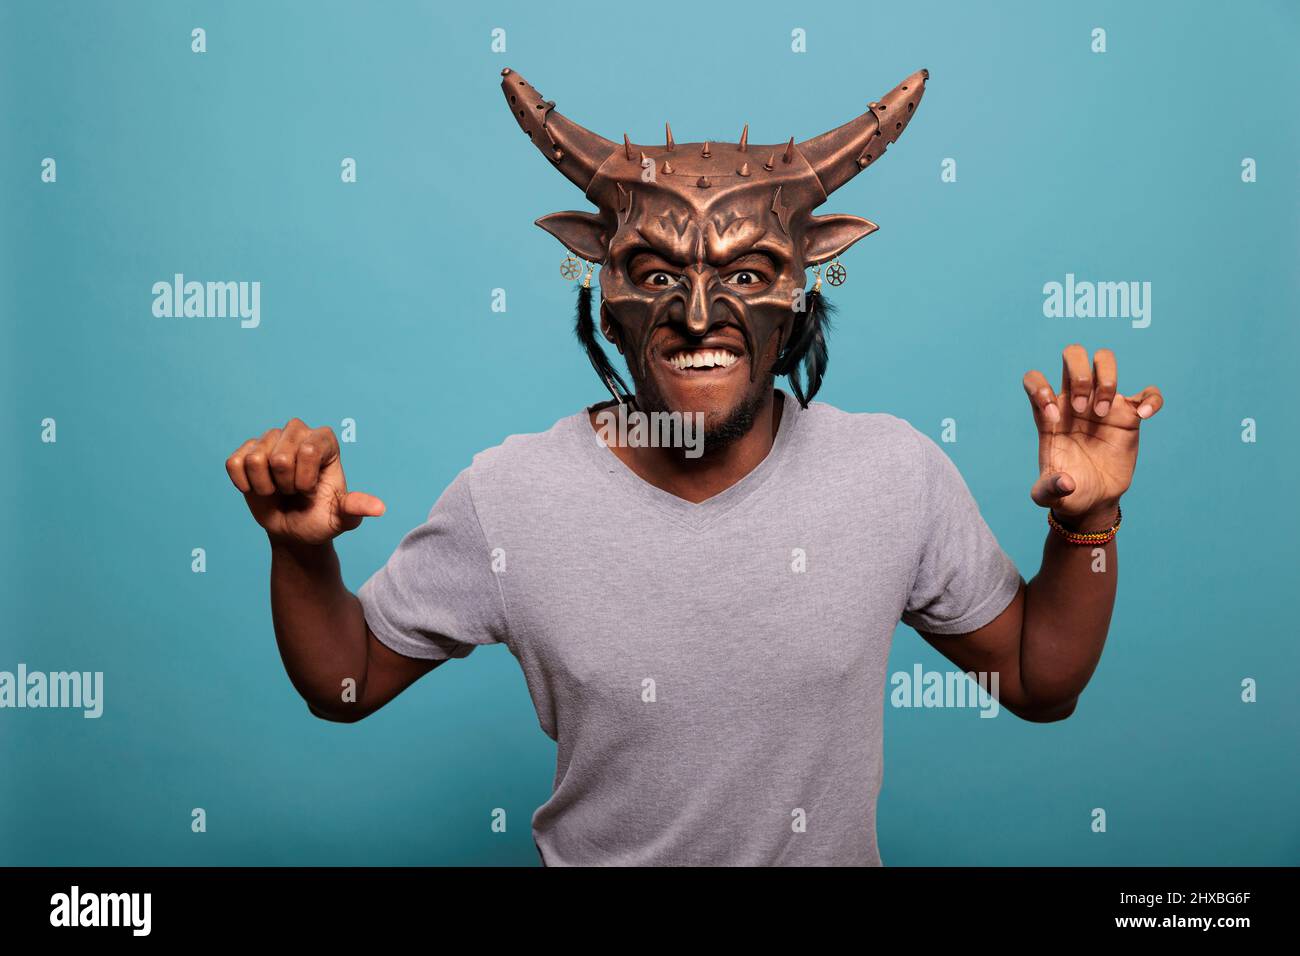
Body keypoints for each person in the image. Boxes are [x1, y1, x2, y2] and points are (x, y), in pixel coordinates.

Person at [223, 68, 1163, 865]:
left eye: (748, 274)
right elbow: (342, 685)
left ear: (803, 288)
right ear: (602, 282)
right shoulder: (510, 496)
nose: (701, 313)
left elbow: (1042, 685)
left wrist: (1088, 523)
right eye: (659, 273)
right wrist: (302, 554)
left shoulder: (893, 474)